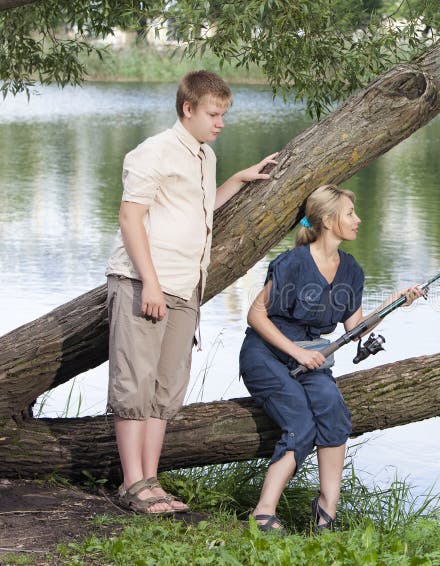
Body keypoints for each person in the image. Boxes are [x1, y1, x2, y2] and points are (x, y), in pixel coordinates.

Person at [106, 70, 278, 514]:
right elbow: (130, 218)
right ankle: (132, 485)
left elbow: (197, 210)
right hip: (147, 283)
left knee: (165, 390)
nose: (221, 122)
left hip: (187, 286)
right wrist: (150, 283)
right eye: (213, 113)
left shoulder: (204, 156)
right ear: (188, 109)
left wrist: (239, 179)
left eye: (224, 114)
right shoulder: (154, 151)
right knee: (135, 384)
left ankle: (151, 481)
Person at [239, 184, 422, 533]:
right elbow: (256, 316)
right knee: (301, 424)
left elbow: (355, 327)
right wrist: (297, 352)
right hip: (266, 354)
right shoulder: (292, 263)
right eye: (350, 213)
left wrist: (395, 302)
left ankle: (326, 511)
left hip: (312, 358)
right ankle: (263, 512)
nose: (358, 219)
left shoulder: (351, 270)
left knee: (334, 413)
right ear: (326, 219)